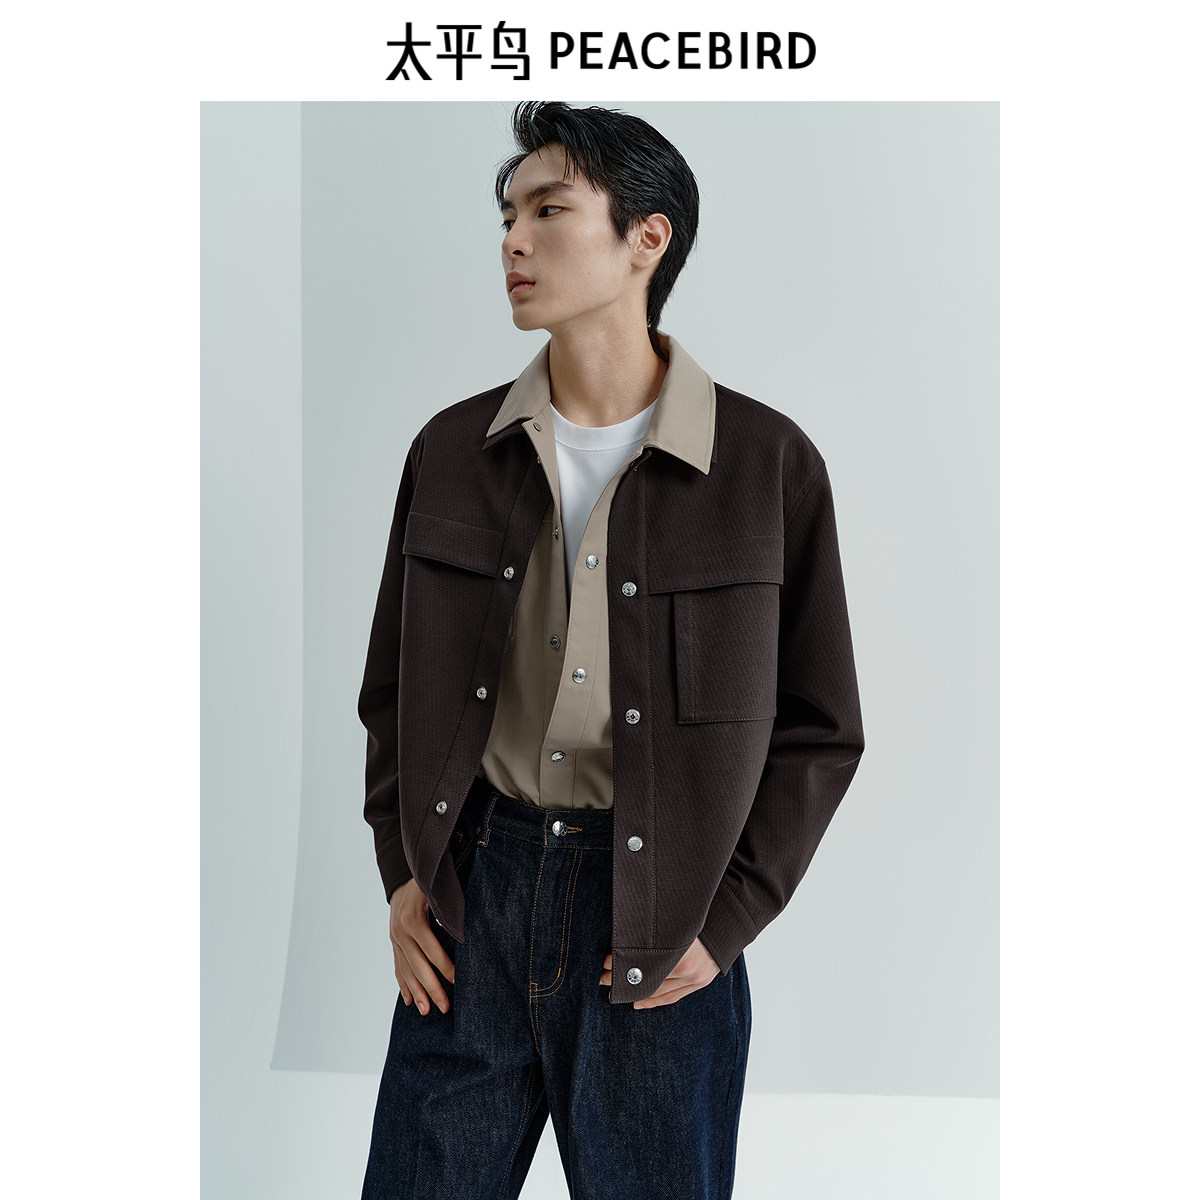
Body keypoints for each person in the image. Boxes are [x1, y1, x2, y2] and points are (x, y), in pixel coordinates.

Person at [357, 100, 865, 1199]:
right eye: (507, 216)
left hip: (657, 923)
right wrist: (403, 875)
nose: (513, 241)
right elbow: (393, 692)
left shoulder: (766, 465)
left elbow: (822, 729)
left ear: (648, 238)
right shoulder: (450, 451)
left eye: (548, 211)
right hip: (470, 904)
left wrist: (725, 923)